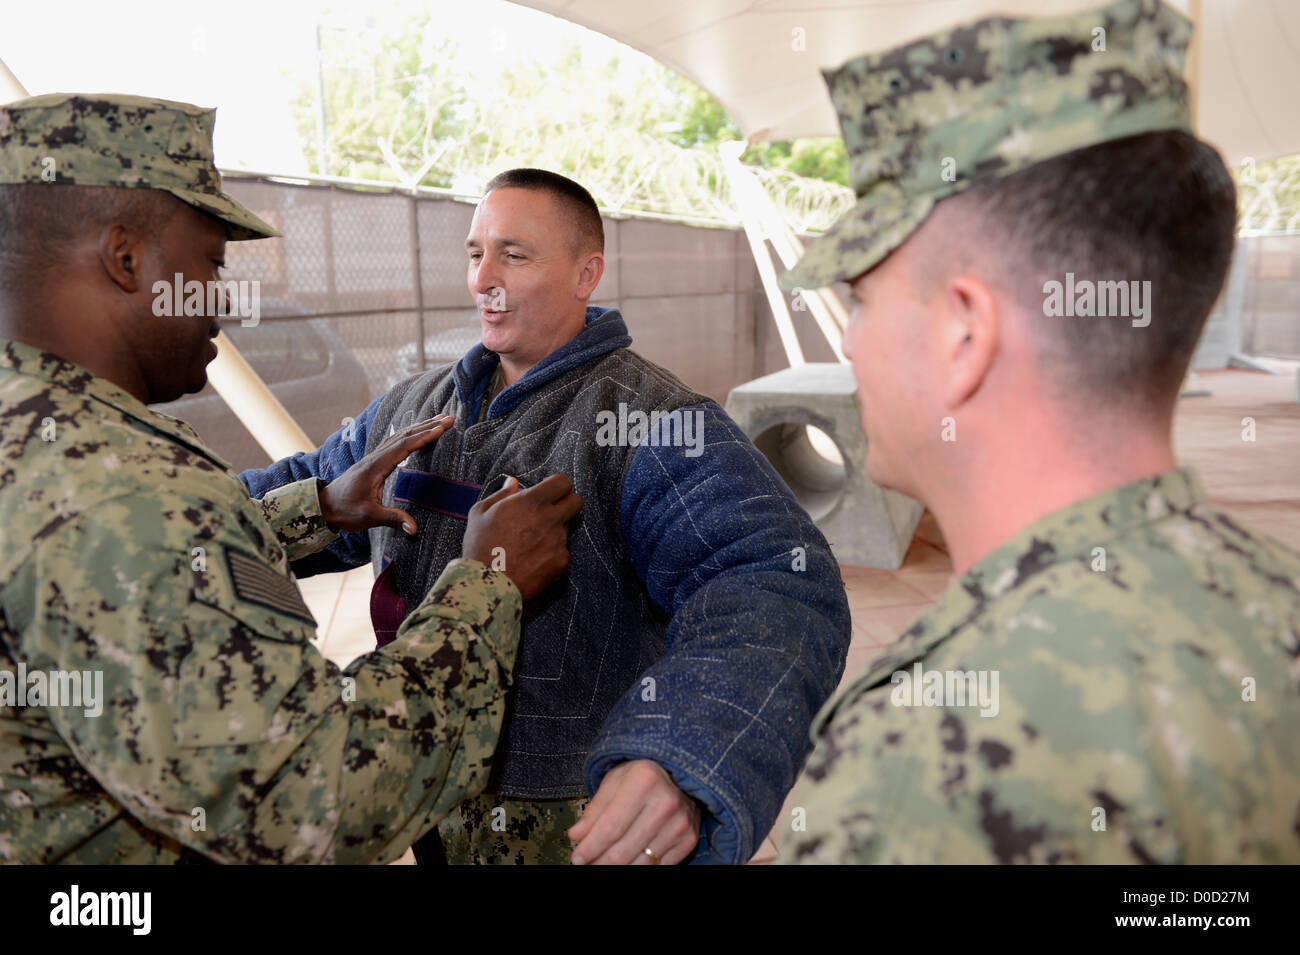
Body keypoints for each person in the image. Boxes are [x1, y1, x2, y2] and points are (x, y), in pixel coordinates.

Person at [778, 0, 1300, 864]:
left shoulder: (916, 767)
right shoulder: (1275, 603)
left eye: (862, 297)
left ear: (964, 334)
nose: (849, 340)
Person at [0, 93, 580, 864]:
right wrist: (485, 585)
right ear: (126, 257)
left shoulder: (50, 440)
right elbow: (315, 798)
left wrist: (313, 511)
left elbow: (109, 578)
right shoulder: (125, 492)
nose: (225, 301)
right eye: (211, 262)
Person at [241, 168, 852, 864]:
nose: (483, 279)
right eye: (475, 253)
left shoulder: (651, 421)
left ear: (586, 273)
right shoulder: (409, 408)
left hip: (576, 835)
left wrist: (678, 749)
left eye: (514, 254)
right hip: (429, 809)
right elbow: (281, 498)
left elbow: (773, 581)